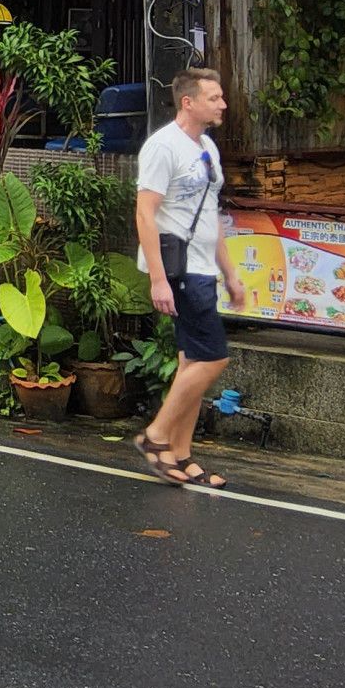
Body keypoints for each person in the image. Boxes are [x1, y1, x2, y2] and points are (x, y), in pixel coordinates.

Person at [133, 65, 240, 490]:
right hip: (178, 268)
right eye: (214, 97)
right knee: (215, 358)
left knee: (191, 361)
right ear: (188, 101)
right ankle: (156, 436)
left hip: (203, 267)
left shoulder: (208, 149)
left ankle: (180, 455)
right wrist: (158, 279)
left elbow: (209, 216)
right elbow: (145, 213)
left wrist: (231, 273)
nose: (223, 104)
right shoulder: (163, 147)